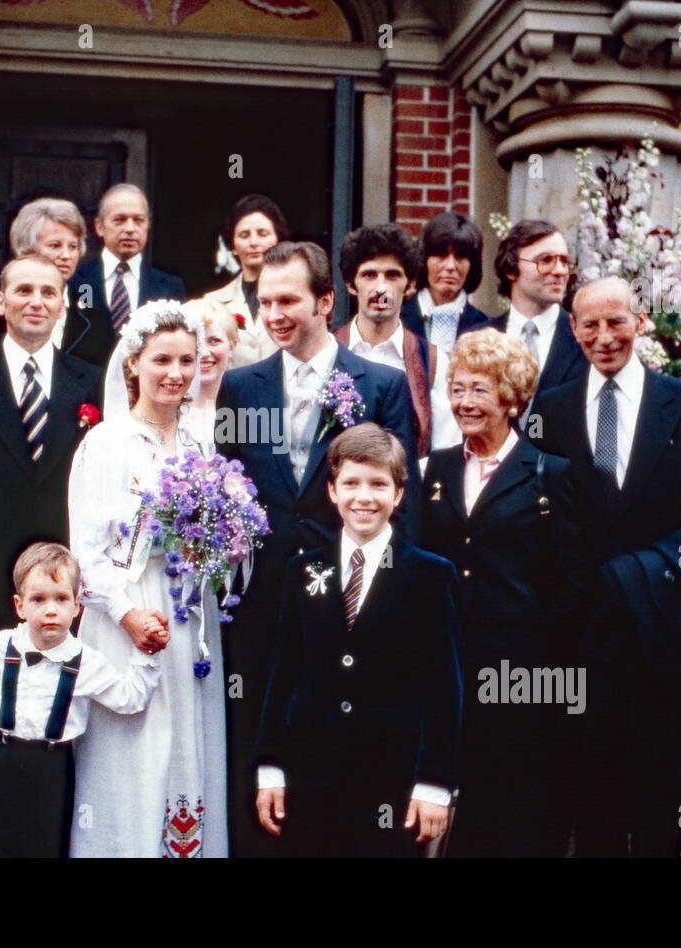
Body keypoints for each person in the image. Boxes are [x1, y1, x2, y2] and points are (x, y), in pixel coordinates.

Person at [531, 275, 681, 857]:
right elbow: (541, 518)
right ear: (573, 330)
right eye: (590, 324)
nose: (604, 336)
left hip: (666, 622)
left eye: (616, 321)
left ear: (640, 322)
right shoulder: (552, 408)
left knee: (666, 795)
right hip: (586, 633)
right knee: (594, 798)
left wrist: (649, 571)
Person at [214, 240, 421, 855]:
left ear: (326, 302)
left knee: (341, 744)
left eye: (288, 300)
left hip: (350, 597)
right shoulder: (240, 387)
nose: (273, 313)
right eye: (264, 301)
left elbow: (398, 501)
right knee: (260, 747)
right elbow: (229, 491)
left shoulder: (379, 383)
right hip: (264, 600)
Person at [254, 423, 461, 857]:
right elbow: (283, 672)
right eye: (350, 483)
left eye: (378, 485)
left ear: (399, 494)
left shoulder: (430, 574)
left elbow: (444, 686)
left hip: (391, 780)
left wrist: (435, 782)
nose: (363, 497)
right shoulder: (304, 571)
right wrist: (271, 767)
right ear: (332, 491)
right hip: (311, 773)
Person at [67, 300, 228, 858]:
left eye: (188, 360)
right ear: (133, 363)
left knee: (188, 738)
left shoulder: (200, 442)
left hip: (188, 609)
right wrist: (126, 615)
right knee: (131, 748)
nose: (176, 373)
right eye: (162, 359)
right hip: (127, 613)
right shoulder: (105, 443)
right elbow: (85, 551)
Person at [420, 328, 586, 857]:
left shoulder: (550, 474)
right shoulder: (437, 470)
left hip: (520, 672)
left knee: (510, 805)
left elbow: (572, 585)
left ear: (510, 398)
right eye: (457, 388)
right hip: (446, 664)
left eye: (479, 390)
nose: (464, 402)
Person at [0, 255, 104, 646]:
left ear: (63, 305)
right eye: (24, 290)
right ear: (0, 302)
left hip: (65, 566)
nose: (36, 301)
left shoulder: (91, 381)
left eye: (49, 292)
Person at [0, 542, 162, 858]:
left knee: (48, 844)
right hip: (1, 760)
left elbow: (130, 698)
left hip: (52, 767)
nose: (50, 609)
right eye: (38, 599)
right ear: (19, 606)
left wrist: (147, 652)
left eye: (60, 599)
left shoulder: (86, 661)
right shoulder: (6, 643)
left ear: (77, 605)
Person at [335, 223, 459, 458]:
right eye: (369, 275)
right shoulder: (327, 350)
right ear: (351, 284)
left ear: (410, 285)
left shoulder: (432, 360)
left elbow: (444, 452)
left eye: (392, 275)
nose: (381, 287)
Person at [485, 220, 586, 410]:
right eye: (545, 260)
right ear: (510, 269)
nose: (559, 271)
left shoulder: (585, 337)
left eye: (564, 261)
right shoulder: (481, 339)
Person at [70, 183, 186, 339]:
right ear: (99, 227)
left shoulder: (170, 288)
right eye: (119, 220)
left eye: (139, 220)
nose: (130, 229)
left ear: (148, 225)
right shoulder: (77, 280)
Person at [9, 197, 114, 366]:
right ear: (28, 248)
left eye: (73, 247)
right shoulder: (6, 302)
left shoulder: (90, 304)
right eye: (55, 245)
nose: (66, 255)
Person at [203, 194, 290, 367]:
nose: (253, 242)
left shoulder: (294, 296)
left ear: (278, 239)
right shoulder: (212, 302)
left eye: (262, 233)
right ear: (233, 246)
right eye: (244, 235)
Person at [400, 211, 492, 353]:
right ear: (424, 260)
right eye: (441, 255)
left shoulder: (488, 329)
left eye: (460, 257)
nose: (450, 266)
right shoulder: (394, 320)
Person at [184, 297, 238, 448]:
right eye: (195, 342)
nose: (204, 352)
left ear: (232, 346)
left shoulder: (250, 408)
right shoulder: (166, 411)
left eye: (214, 341)